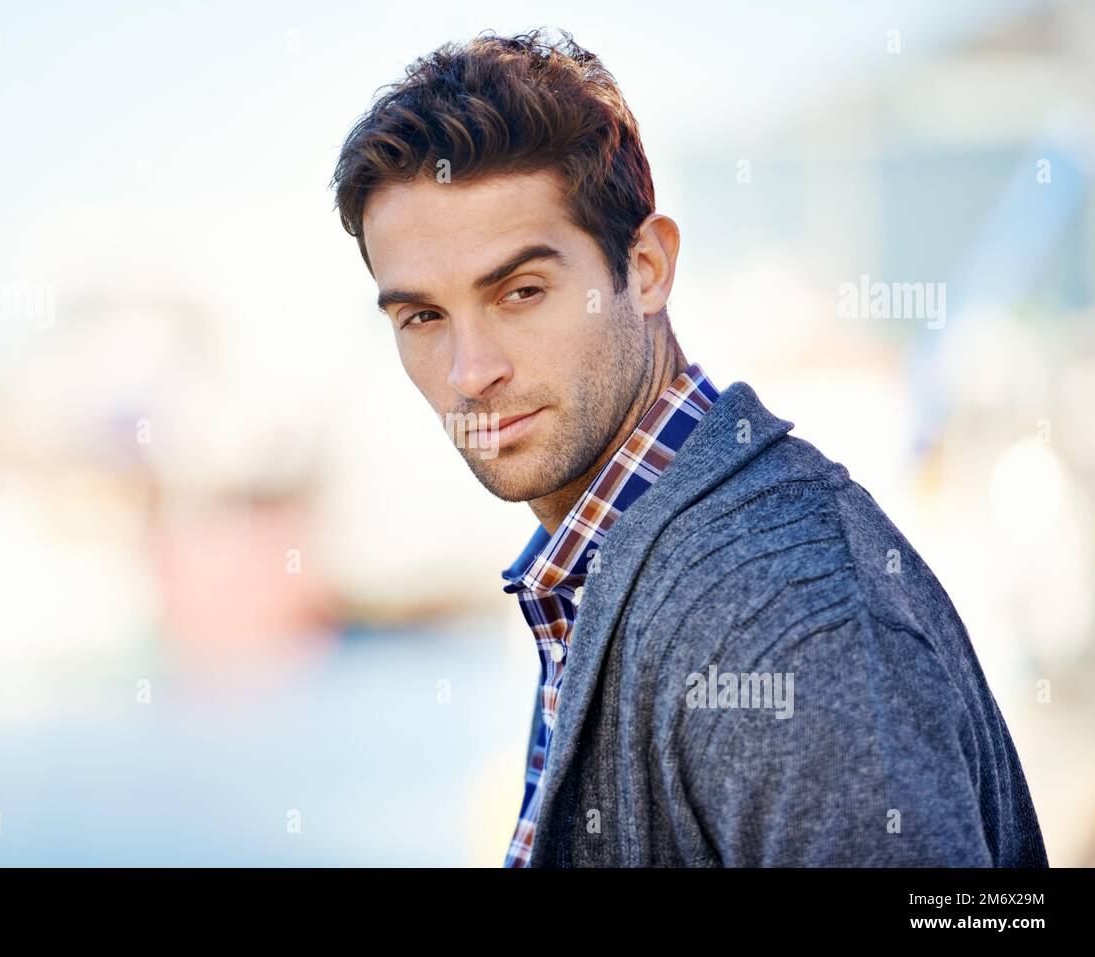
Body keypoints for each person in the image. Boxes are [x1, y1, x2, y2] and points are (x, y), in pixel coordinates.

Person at [329, 28, 1048, 867]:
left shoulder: (780, 614)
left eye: (521, 291)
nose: (470, 370)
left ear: (646, 266)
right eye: (423, 317)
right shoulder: (615, 564)